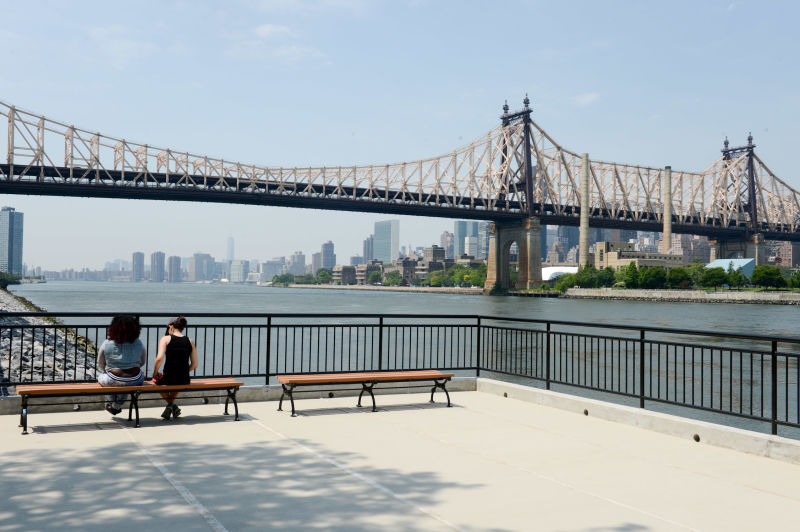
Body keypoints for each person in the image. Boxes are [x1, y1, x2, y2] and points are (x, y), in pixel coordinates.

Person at [97, 315, 146, 415]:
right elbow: (142, 362)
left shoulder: (107, 343)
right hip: (136, 379)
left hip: (113, 379)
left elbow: (100, 363)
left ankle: (111, 402)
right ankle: (117, 405)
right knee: (126, 383)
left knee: (104, 375)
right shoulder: (139, 343)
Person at [152, 316, 198, 420]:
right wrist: (184, 371)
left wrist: (155, 373)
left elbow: (159, 359)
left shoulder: (165, 339)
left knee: (155, 382)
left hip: (169, 377)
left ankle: (172, 405)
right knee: (177, 383)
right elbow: (195, 365)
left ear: (170, 327)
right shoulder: (190, 341)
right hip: (184, 379)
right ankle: (171, 406)